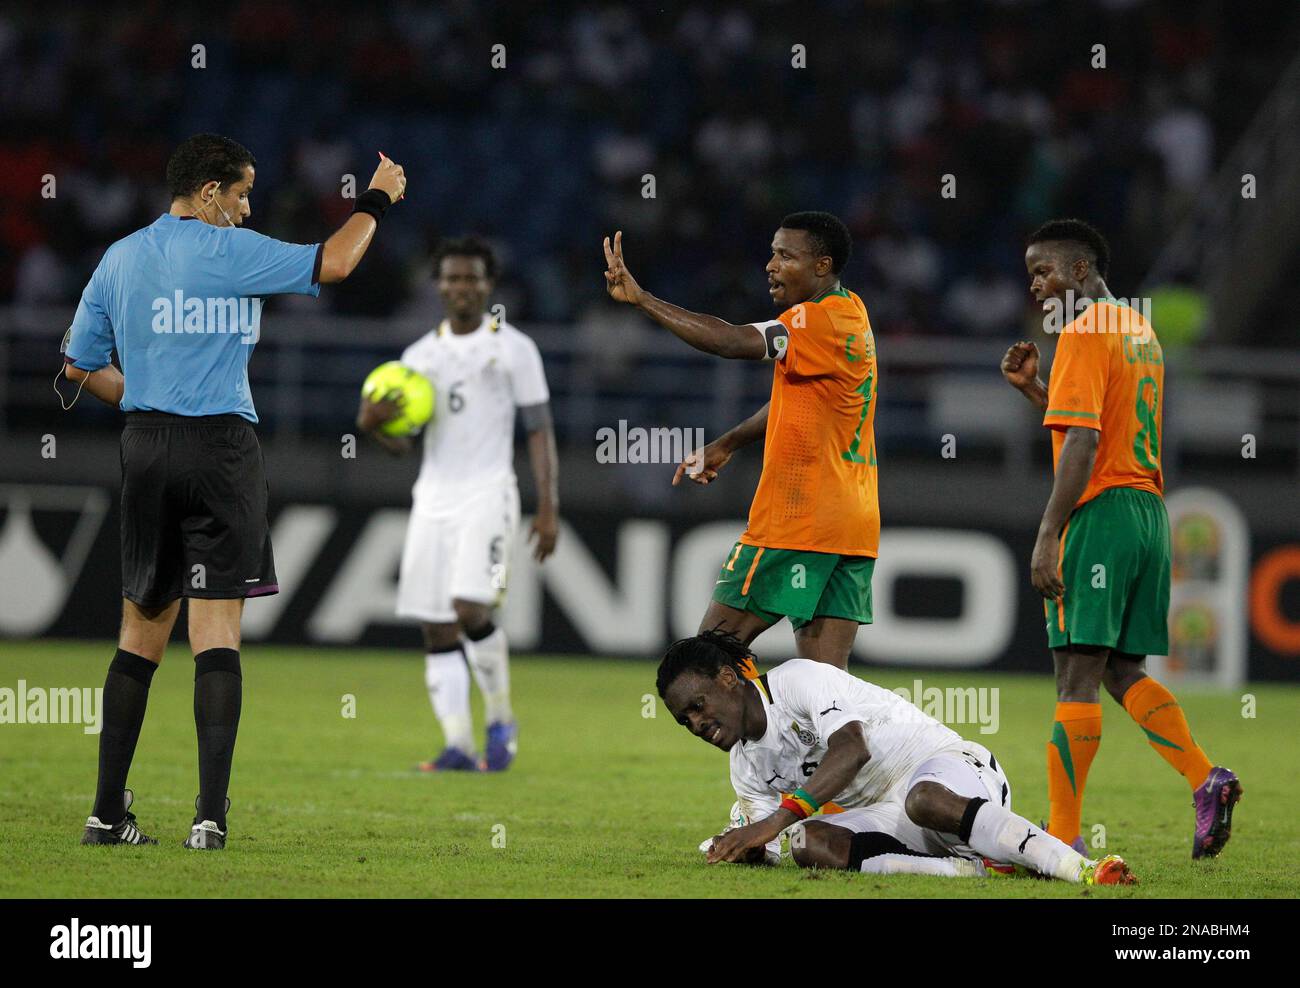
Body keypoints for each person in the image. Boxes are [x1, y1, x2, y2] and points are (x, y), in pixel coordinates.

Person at [64, 133, 406, 849]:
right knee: (215, 636)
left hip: (146, 444)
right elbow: (338, 260)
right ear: (210, 192)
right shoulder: (231, 251)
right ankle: (210, 820)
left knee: (139, 633)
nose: (249, 208)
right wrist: (378, 198)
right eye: (243, 193)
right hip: (221, 450)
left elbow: (75, 367)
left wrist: (147, 399)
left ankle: (104, 813)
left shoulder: (120, 257)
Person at [1000, 218, 1241, 859]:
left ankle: (1061, 837)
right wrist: (1035, 392)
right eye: (1031, 274)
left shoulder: (1081, 331)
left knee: (1074, 676)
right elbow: (1097, 423)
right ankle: (1205, 778)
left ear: (1081, 271)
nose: (1036, 286)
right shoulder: (1138, 330)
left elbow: (1083, 440)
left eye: (1044, 271)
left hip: (1102, 515)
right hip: (1148, 512)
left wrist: (1050, 533)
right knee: (1120, 669)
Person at [603, 213, 877, 671]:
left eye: (786, 255)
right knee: (828, 687)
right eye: (772, 252)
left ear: (822, 265)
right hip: (852, 524)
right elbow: (794, 405)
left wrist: (642, 300)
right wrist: (728, 443)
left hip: (799, 517)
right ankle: (844, 742)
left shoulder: (812, 320)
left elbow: (731, 341)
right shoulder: (853, 312)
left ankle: (762, 743)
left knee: (708, 659)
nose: (770, 265)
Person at [657, 631, 1137, 884]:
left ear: (726, 678)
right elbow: (775, 842)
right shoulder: (746, 768)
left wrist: (769, 823)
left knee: (922, 797)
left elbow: (852, 750)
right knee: (806, 842)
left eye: (697, 706)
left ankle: (1079, 867)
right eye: (685, 721)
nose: (697, 724)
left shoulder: (796, 680)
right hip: (892, 812)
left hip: (948, 771)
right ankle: (973, 869)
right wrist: (744, 847)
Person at [357, 237, 558, 772]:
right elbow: (407, 442)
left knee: (471, 608)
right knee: (435, 625)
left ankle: (500, 720)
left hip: (489, 495)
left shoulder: (513, 348)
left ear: (488, 285)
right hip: (433, 498)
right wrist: (372, 428)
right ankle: (457, 746)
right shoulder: (419, 357)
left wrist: (548, 506)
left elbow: (539, 430)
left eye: (471, 278)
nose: (461, 287)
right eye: (451, 278)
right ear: (438, 285)